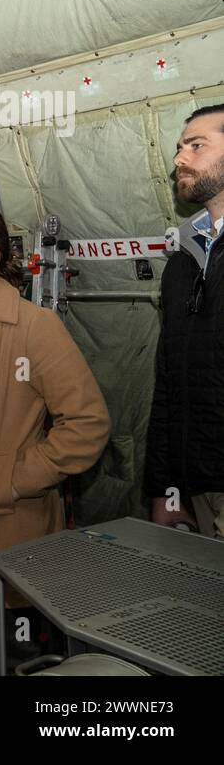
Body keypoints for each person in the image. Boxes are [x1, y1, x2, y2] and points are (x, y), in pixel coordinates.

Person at [0, 202, 110, 675]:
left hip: (9, 543)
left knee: (4, 660)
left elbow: (87, 424)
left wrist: (8, 479)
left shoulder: (35, 328)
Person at [147, 103, 224, 539]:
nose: (179, 158)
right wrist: (165, 489)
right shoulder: (184, 262)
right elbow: (168, 383)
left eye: (196, 146)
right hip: (196, 485)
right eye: (179, 147)